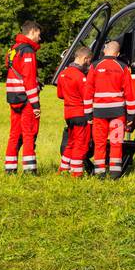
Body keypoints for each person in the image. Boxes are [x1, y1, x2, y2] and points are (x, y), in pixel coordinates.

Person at [88, 40, 135, 180]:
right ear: (118, 53)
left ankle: (99, 173)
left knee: (100, 142)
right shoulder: (123, 67)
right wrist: (131, 117)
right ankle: (115, 174)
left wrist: (88, 113)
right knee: (116, 142)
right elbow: (130, 93)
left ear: (104, 50)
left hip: (99, 113)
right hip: (118, 113)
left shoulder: (95, 66)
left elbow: (88, 91)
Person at [4, 21, 42, 174]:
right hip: (26, 99)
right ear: (32, 31)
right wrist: (35, 105)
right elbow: (29, 79)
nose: (40, 38)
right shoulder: (27, 51)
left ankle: (10, 169)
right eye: (39, 34)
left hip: (13, 97)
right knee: (29, 133)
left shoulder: (13, 49)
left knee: (14, 134)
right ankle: (30, 170)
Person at [56, 47, 94, 177]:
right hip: (80, 114)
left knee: (71, 142)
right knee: (81, 144)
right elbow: (87, 97)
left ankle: (63, 168)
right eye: (89, 61)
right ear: (85, 58)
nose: (89, 64)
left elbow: (60, 94)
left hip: (68, 114)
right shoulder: (80, 77)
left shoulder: (63, 74)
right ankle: (77, 173)